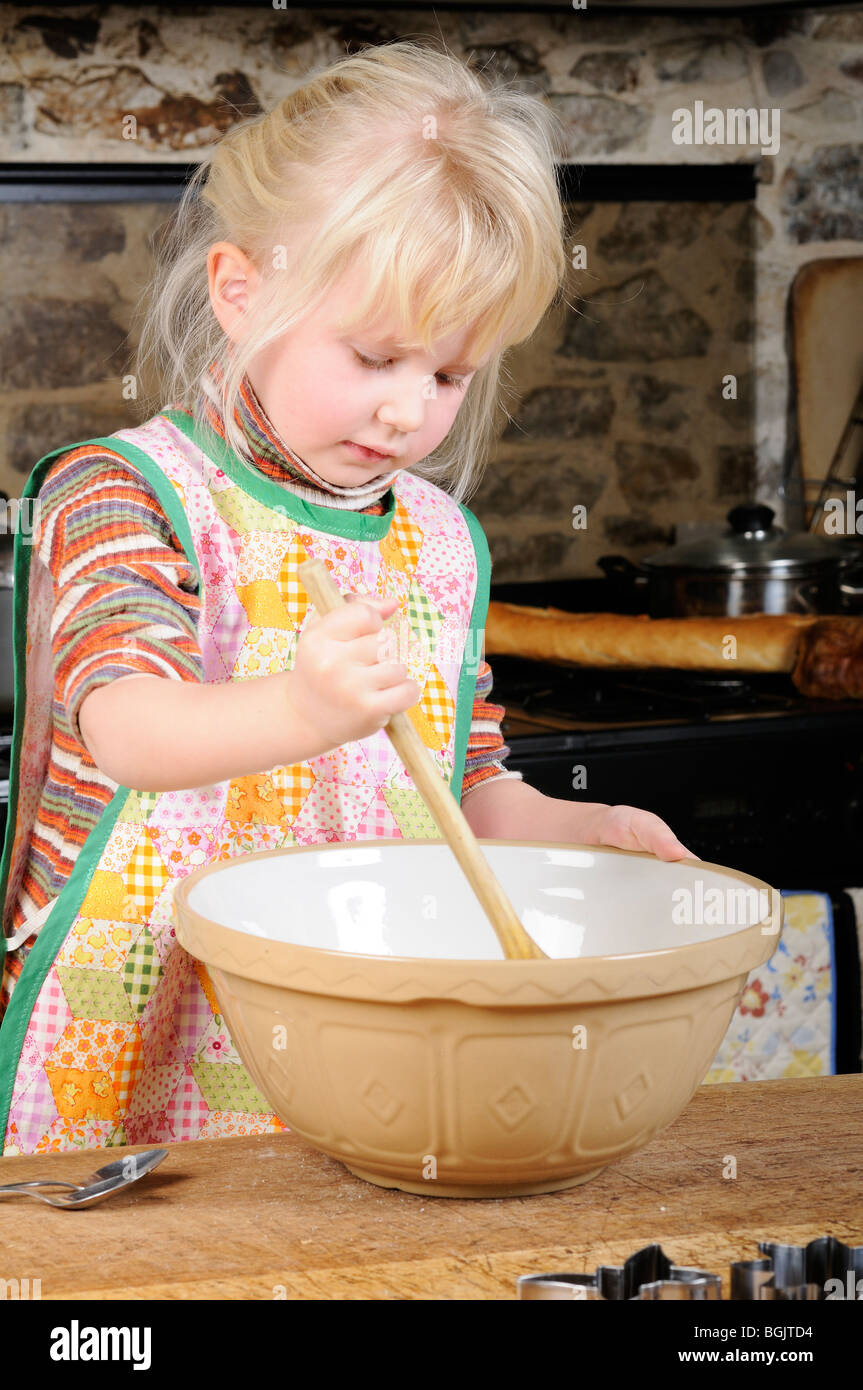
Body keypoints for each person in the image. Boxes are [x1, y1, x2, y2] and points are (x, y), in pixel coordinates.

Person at [0, 39, 692, 1155]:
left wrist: (585, 831)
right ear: (241, 292)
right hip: (139, 1031)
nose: (407, 412)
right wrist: (303, 708)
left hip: (349, 1034)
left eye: (450, 375)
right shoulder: (125, 492)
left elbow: (461, 792)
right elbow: (126, 725)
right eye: (374, 356)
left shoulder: (436, 543)